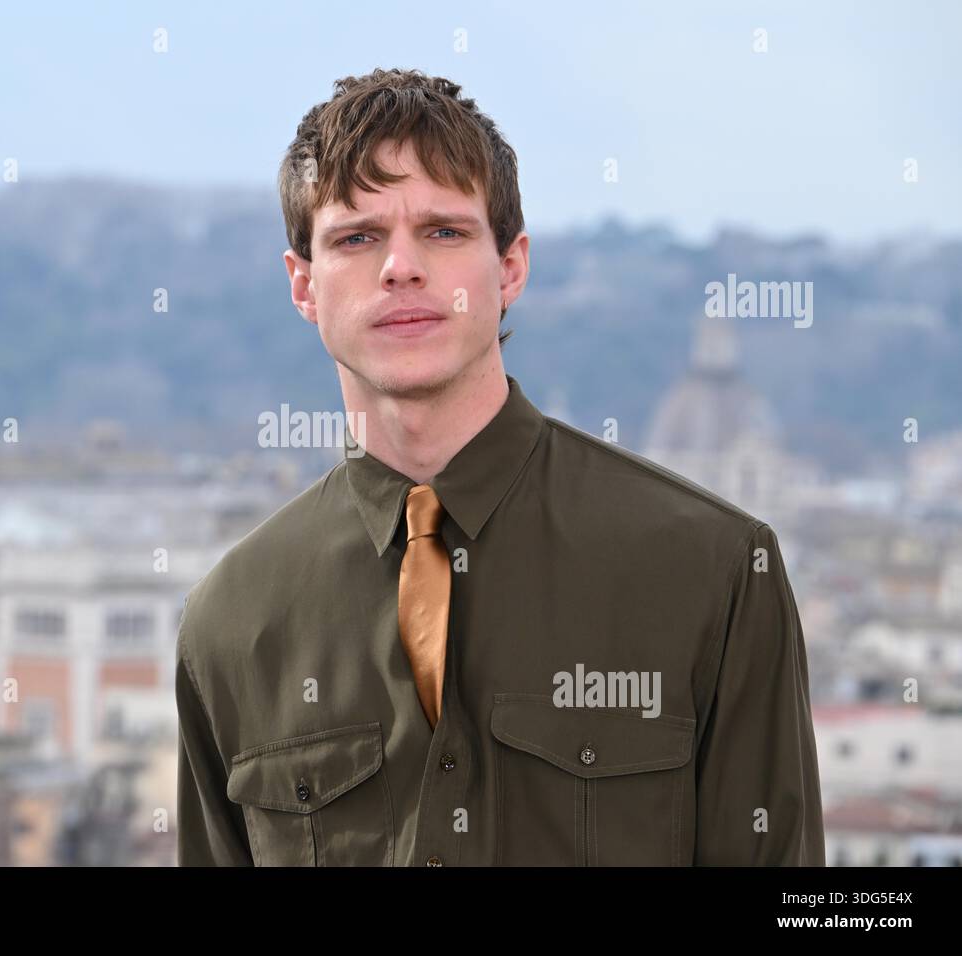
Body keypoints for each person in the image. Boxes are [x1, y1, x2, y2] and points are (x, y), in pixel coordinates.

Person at [175, 67, 825, 866]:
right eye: (357, 237)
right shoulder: (230, 622)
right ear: (303, 285)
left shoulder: (716, 571)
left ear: (511, 266)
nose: (401, 268)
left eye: (444, 231)